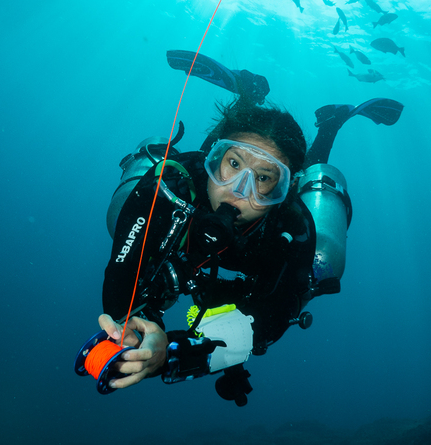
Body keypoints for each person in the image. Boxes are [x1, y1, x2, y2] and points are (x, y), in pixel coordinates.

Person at [88, 53, 402, 406]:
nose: (239, 189)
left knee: (314, 251)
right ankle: (247, 98)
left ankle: (330, 124)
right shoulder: (164, 190)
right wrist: (135, 328)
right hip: (194, 195)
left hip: (256, 261)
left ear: (282, 192)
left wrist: (171, 354)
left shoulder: (291, 229)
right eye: (233, 164)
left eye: (264, 179)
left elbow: (270, 320)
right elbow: (122, 275)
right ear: (214, 160)